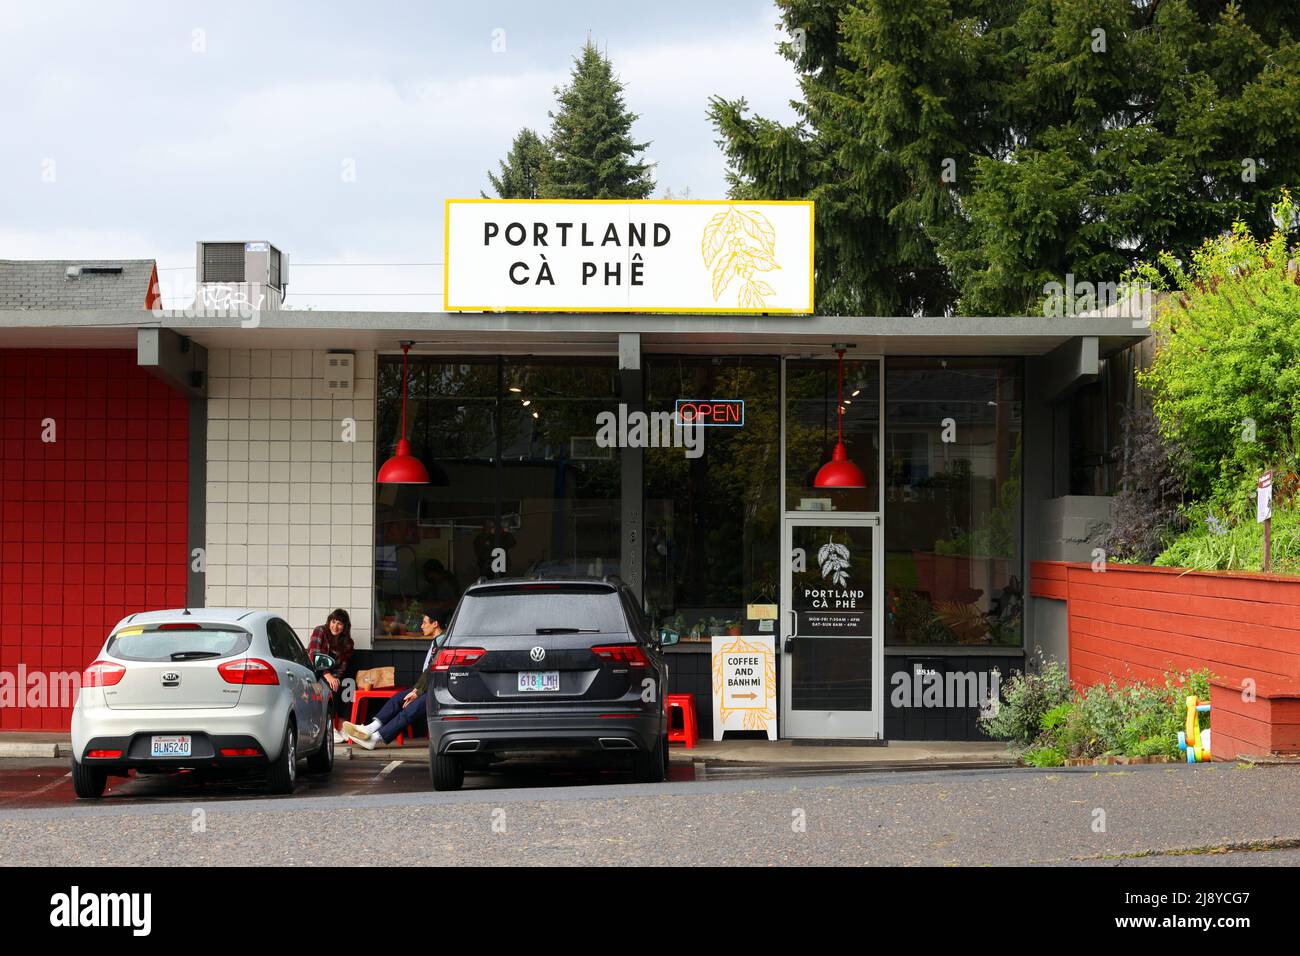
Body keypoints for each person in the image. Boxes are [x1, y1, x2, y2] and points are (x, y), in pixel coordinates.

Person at [341, 615, 443, 749]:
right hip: (426, 688)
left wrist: (417, 692)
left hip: (437, 690)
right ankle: (370, 728)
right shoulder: (436, 641)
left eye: (424, 623)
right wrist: (416, 690)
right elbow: (426, 673)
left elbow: (432, 671)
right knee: (397, 699)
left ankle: (375, 738)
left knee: (410, 710)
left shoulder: (443, 642)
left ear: (435, 623)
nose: (422, 626)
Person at [308, 609, 355, 741]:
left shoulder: (348, 643)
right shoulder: (320, 631)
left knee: (349, 685)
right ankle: (331, 728)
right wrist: (328, 676)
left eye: (339, 623)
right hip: (316, 672)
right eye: (333, 622)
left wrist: (337, 679)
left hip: (334, 675)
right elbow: (313, 655)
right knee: (331, 688)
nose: (335, 626)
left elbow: (343, 666)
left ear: (345, 627)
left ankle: (342, 726)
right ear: (329, 622)